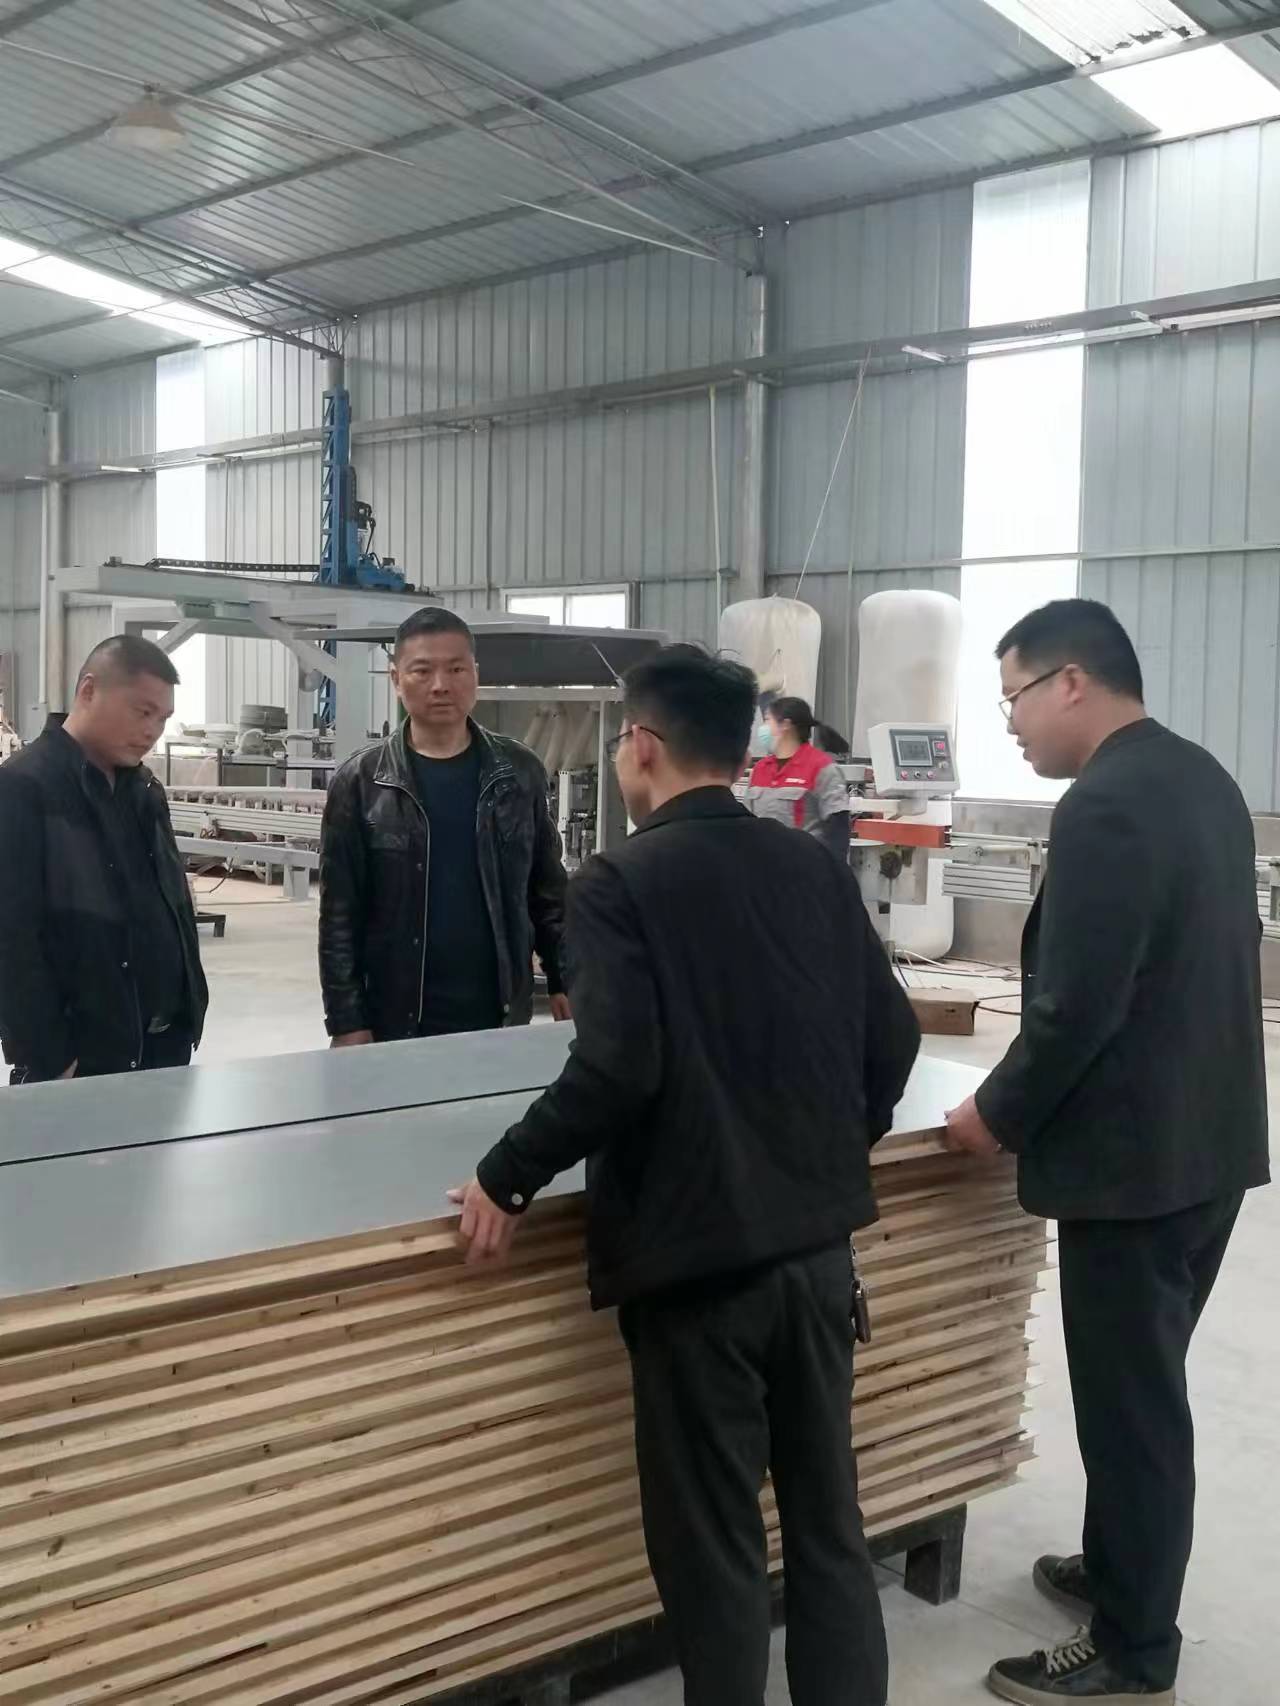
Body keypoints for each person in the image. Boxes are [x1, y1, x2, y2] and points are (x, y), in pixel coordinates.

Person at [450, 645, 921, 1706]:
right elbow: (889, 1039)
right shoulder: (808, 865)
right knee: (828, 1526)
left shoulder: (617, 882)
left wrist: (506, 1176)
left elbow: (617, 1065)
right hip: (817, 1258)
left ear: (642, 746)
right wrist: (825, 1155)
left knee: (714, 1548)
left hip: (698, 1273)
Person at [943, 599, 1269, 1706]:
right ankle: (1120, 1565)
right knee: (1141, 1383)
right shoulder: (1201, 779)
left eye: (1014, 699)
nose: (1011, 724)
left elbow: (1078, 1004)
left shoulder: (1106, 804)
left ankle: (1134, 1648)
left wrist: (995, 1112)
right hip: (1207, 1141)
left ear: (1070, 681)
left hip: (1134, 1164)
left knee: (1131, 1406)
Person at [319, 607, 570, 1044]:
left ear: (476, 675)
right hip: (396, 1016)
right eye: (422, 671)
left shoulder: (518, 773)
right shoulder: (360, 782)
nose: (441, 685)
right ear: (396, 679)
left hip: (500, 1013)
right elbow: (340, 914)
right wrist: (347, 1021)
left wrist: (565, 977)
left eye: (456, 669)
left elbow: (547, 891)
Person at [0, 635, 208, 1084]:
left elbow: (170, 904)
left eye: (163, 718)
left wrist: (189, 1009)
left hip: (165, 1048)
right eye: (142, 712)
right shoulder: (22, 788)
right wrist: (51, 1056)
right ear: (89, 690)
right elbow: (11, 938)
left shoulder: (145, 790)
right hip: (81, 1062)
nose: (152, 731)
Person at [746, 694, 850, 860]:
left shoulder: (821, 767)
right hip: (762, 866)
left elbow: (838, 830)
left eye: (767, 720)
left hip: (804, 867)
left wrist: (831, 870)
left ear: (785, 725)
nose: (762, 728)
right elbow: (747, 824)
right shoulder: (760, 769)